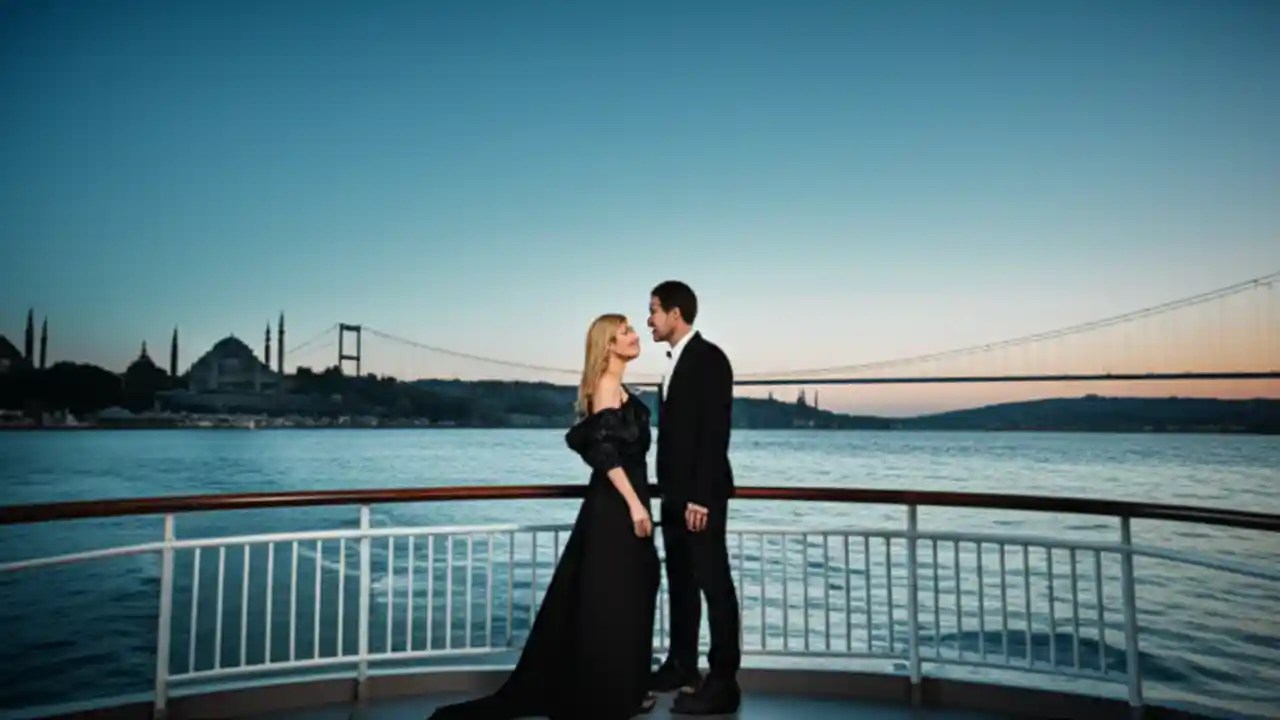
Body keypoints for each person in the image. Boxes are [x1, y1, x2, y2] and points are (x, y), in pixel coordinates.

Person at [428, 314, 660, 719]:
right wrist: (635, 504)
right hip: (615, 507)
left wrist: (639, 502)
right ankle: (607, 694)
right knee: (611, 600)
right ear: (608, 345)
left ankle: (627, 686)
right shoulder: (605, 387)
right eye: (624, 332)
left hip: (628, 502)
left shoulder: (620, 388)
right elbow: (604, 453)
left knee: (634, 590)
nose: (635, 335)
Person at [646, 280, 741, 715]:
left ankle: (723, 681)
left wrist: (701, 498)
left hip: (700, 499)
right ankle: (682, 664)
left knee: (714, 584)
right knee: (681, 583)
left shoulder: (711, 359)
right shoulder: (673, 363)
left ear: (676, 314)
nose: (649, 319)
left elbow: (714, 433)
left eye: (654, 310)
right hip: (673, 496)